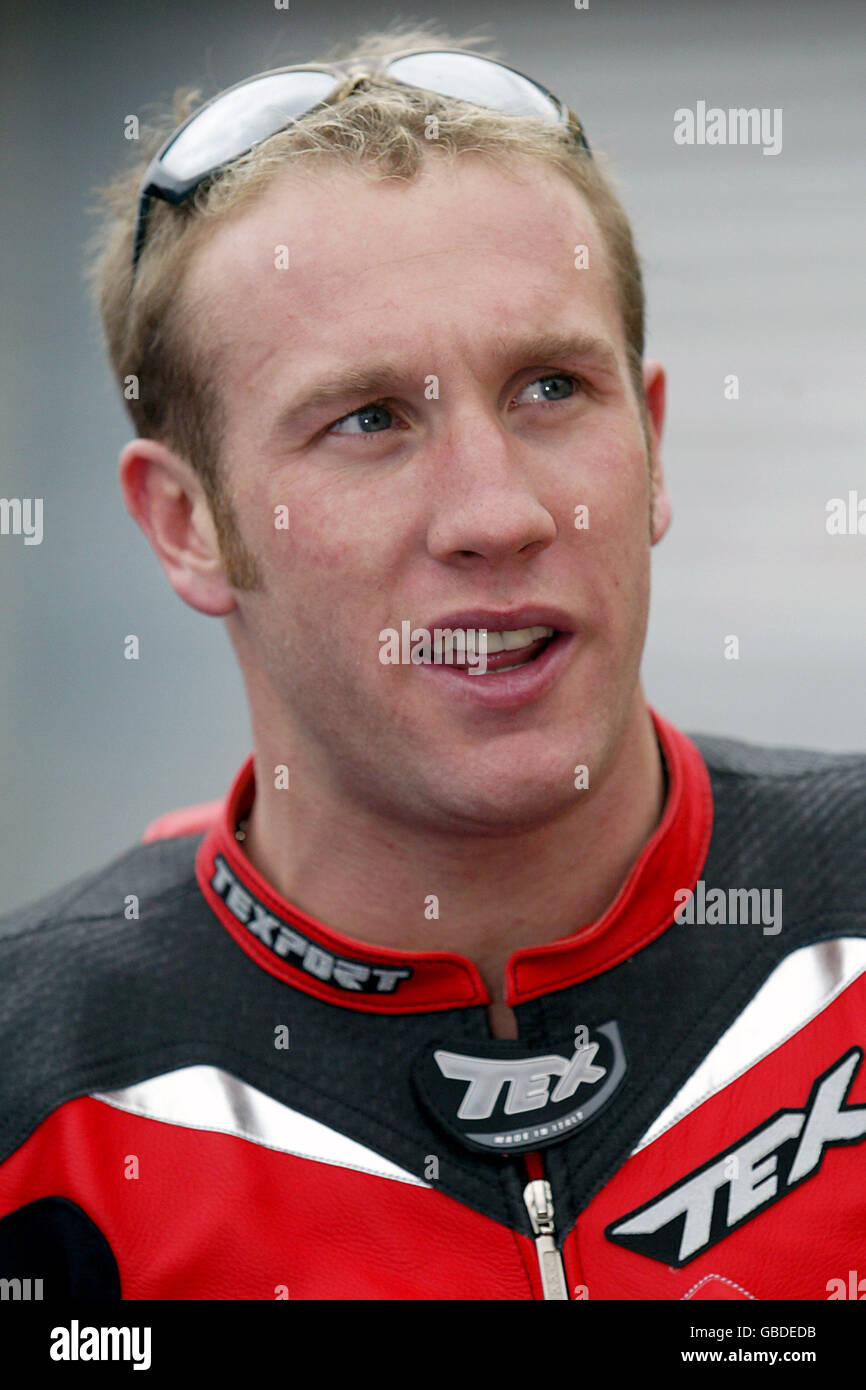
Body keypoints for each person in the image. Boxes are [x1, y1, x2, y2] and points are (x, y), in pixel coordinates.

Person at [1, 26, 864, 1302]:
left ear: (654, 444)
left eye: (550, 389)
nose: (496, 512)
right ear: (187, 525)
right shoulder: (43, 1101)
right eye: (368, 420)